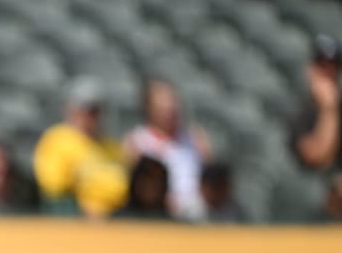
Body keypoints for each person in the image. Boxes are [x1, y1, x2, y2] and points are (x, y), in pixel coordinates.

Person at [32, 76, 127, 219]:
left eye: (95, 111)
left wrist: (83, 180)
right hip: (68, 219)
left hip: (110, 220)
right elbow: (54, 184)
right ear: (72, 109)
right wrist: (92, 194)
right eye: (86, 110)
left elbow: (119, 189)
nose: (91, 116)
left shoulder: (112, 147)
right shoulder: (56, 139)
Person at [122, 78, 211, 220]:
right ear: (150, 108)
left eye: (172, 101)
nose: (170, 108)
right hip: (159, 214)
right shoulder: (137, 141)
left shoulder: (195, 137)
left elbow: (208, 176)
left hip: (198, 211)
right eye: (163, 104)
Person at [290, 33, 340, 173]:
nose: (328, 73)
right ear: (310, 69)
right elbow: (318, 157)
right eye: (322, 66)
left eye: (334, 67)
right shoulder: (298, 109)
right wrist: (329, 109)